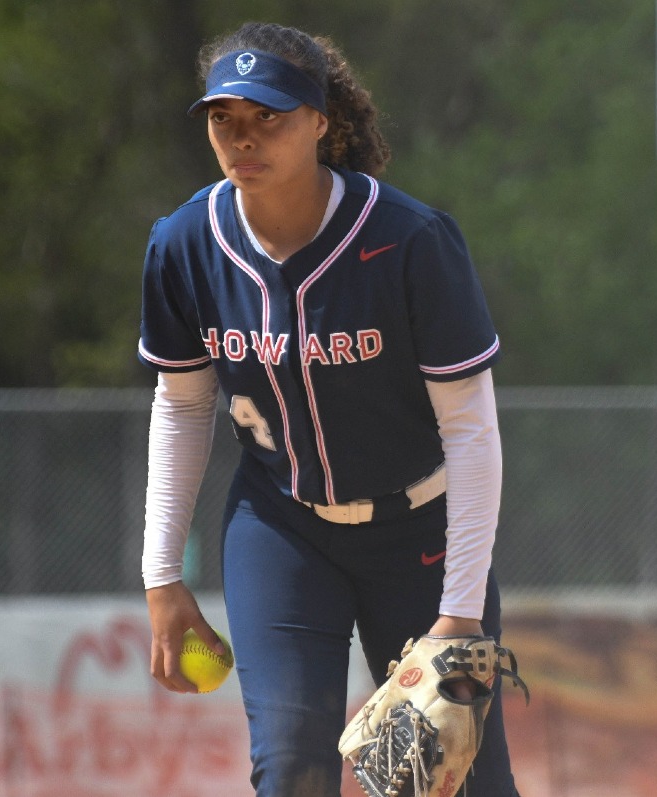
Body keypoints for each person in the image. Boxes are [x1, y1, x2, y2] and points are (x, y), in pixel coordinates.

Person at [137, 21, 520, 797]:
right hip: (282, 527)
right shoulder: (187, 243)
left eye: (267, 115)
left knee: (460, 784)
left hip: (420, 532)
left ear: (321, 121)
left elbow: (472, 432)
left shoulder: (408, 240)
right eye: (224, 118)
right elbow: (181, 407)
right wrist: (160, 574)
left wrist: (459, 615)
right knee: (292, 770)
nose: (243, 137)